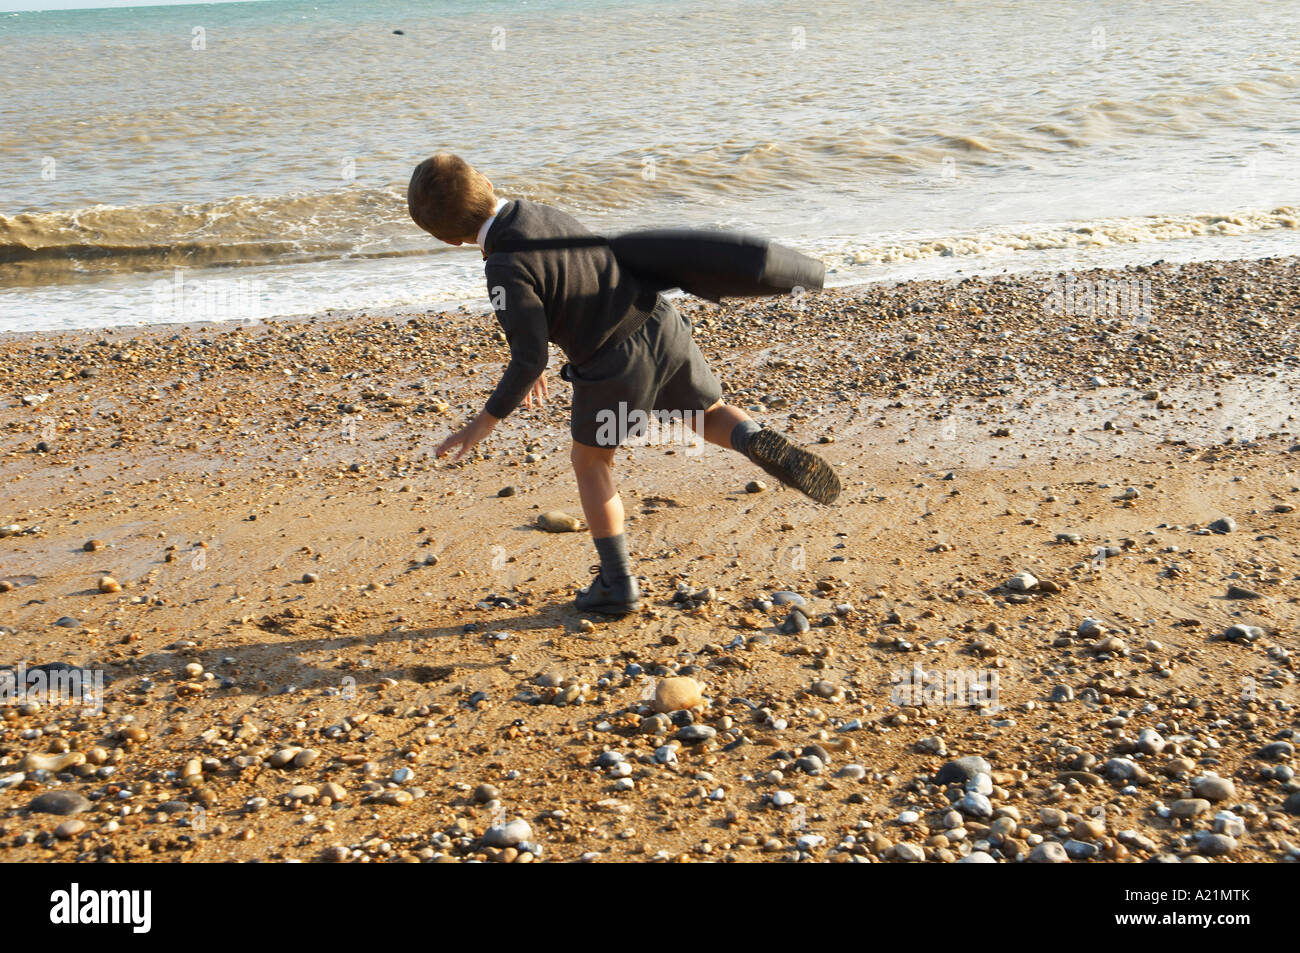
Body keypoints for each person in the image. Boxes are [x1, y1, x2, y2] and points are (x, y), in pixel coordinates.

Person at [409, 153, 840, 615]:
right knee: (706, 414)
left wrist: (483, 422)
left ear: (451, 239)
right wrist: (533, 361)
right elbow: (575, 274)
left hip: (612, 362)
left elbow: (529, 352)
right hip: (658, 323)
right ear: (489, 182)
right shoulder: (540, 212)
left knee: (591, 462)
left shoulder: (503, 268)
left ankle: (617, 584)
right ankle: (755, 441)